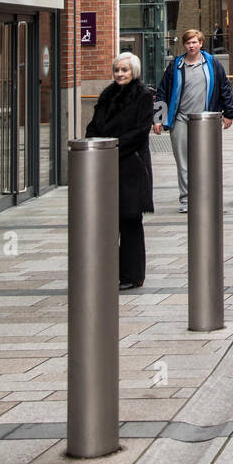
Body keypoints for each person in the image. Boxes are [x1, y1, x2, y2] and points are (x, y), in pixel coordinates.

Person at [86, 53, 154, 289]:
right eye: (117, 70)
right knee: (107, 220)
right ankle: (108, 271)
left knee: (130, 219)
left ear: (133, 71)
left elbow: (141, 131)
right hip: (106, 163)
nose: (120, 74)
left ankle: (132, 275)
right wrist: (95, 144)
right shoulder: (108, 95)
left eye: (124, 70)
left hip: (131, 164)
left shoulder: (144, 95)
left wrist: (113, 145)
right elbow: (93, 124)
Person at [153, 29, 233, 211]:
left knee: (207, 159)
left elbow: (224, 88)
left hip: (206, 120)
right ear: (184, 45)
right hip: (180, 118)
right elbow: (162, 91)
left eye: (194, 42)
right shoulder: (176, 65)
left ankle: (208, 197)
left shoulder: (212, 63)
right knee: (183, 161)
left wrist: (229, 113)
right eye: (188, 43)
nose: (191, 46)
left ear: (201, 44)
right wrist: (158, 119)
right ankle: (187, 200)